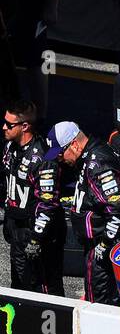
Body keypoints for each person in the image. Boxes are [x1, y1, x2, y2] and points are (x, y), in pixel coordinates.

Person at [40, 122, 120, 305]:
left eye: (60, 154)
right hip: (98, 244)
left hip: (107, 248)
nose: (60, 160)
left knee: (100, 304)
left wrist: (105, 243)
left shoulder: (98, 162)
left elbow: (119, 209)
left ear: (74, 144)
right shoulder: (88, 157)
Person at [3, 99, 63, 295]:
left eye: (9, 125)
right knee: (19, 285)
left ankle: (52, 325)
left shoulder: (43, 158)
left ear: (25, 126)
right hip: (16, 228)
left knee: (42, 288)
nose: (4, 127)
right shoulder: (10, 148)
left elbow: (48, 203)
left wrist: (37, 238)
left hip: (37, 233)